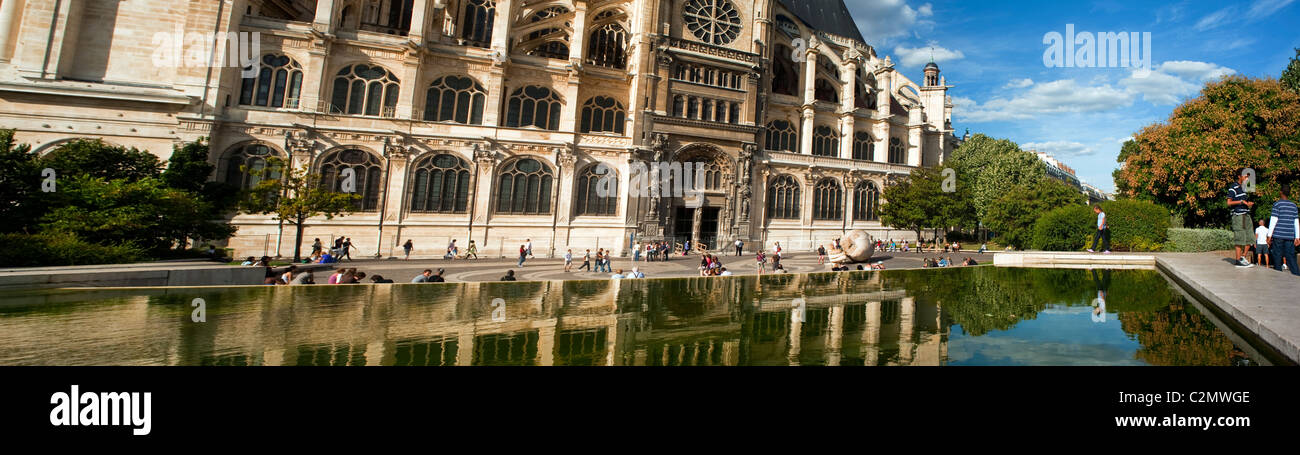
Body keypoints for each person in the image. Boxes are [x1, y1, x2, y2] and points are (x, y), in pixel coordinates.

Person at [1267, 182, 1299, 276]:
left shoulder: (1277, 204)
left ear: (1281, 192)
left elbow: (1273, 221)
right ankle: (1297, 275)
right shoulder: (1293, 206)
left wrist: (1269, 236)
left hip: (1278, 235)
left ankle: (1278, 276)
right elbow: (1296, 222)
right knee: (1291, 257)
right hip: (1289, 236)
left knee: (1277, 256)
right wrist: (1297, 237)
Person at [1227, 169, 1256, 266]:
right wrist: (1241, 202)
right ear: (1239, 176)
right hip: (1238, 215)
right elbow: (1229, 202)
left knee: (1250, 237)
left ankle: (1243, 257)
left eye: (1248, 176)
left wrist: (1248, 204)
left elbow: (1244, 202)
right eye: (1245, 176)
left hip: (1246, 214)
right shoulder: (1233, 187)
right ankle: (1238, 260)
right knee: (1240, 237)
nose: (1247, 178)